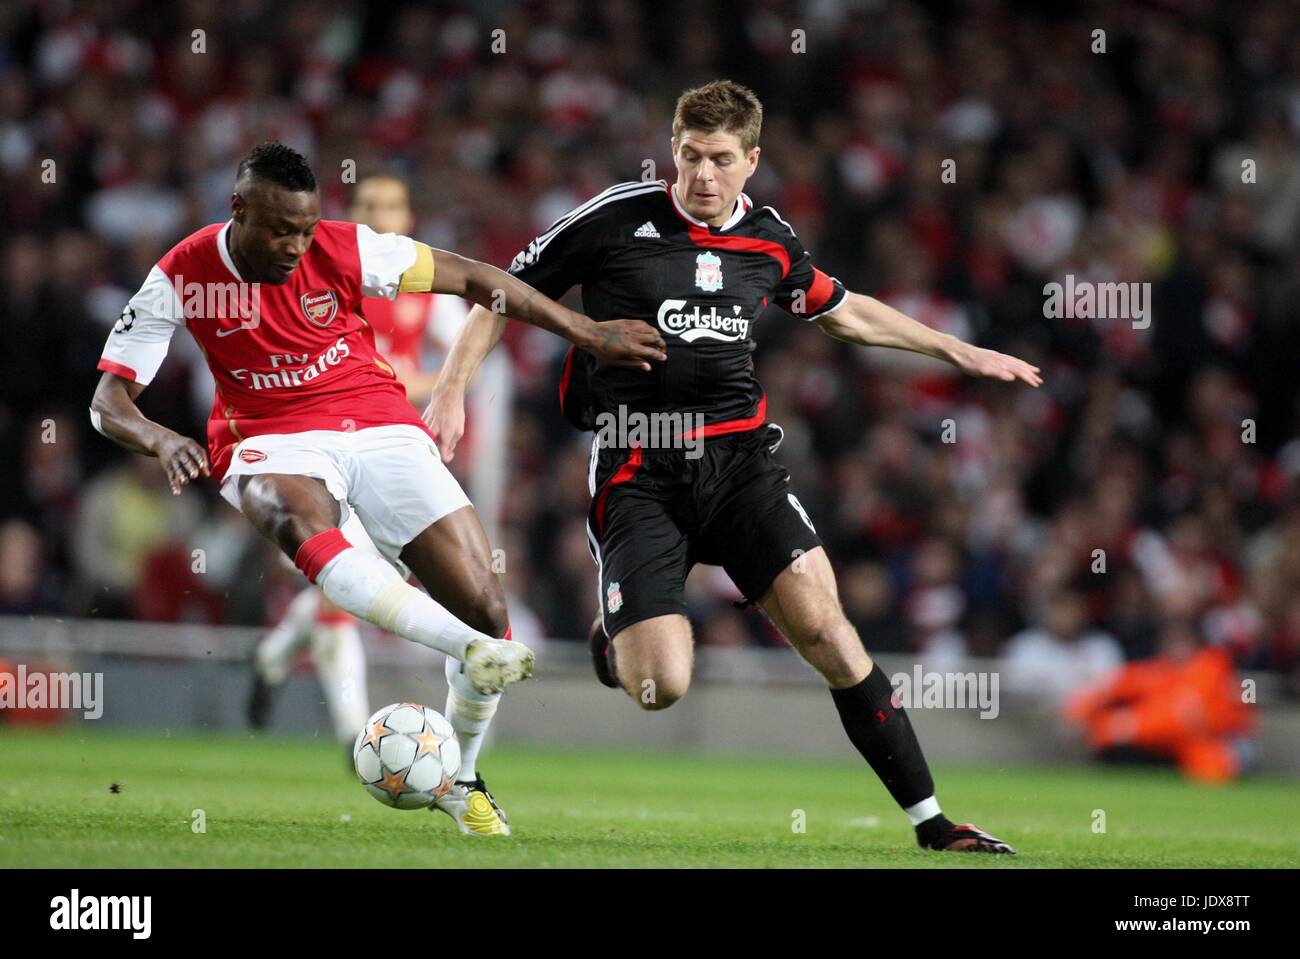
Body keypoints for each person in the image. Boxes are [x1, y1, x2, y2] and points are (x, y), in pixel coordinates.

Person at [428, 81, 1040, 854]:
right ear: (671, 148)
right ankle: (617, 639)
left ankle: (934, 824)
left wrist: (953, 348)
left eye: (721, 159)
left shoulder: (772, 239)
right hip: (639, 469)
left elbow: (841, 307)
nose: (703, 175)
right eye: (689, 155)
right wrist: (452, 388)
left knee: (829, 630)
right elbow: (496, 293)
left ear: (752, 160)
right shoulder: (615, 218)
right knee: (661, 686)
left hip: (742, 464)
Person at [89, 142, 665, 836]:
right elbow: (107, 402)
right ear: (238, 208)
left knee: (487, 608)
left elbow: (476, 278)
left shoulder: (346, 247)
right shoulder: (183, 271)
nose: (297, 246)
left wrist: (587, 332)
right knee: (297, 520)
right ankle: (441, 657)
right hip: (267, 436)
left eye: (306, 229)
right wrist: (160, 437)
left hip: (378, 422)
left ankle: (463, 775)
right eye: (280, 231)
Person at [248, 174, 515, 837]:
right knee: (349, 588)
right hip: (326, 458)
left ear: (407, 214)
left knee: (451, 599)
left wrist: (398, 377)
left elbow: (469, 346)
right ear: (352, 216)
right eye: (370, 207)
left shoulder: (424, 288)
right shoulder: (318, 274)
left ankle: (278, 654)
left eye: (393, 206)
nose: (382, 216)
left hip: (400, 452)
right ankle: (351, 735)